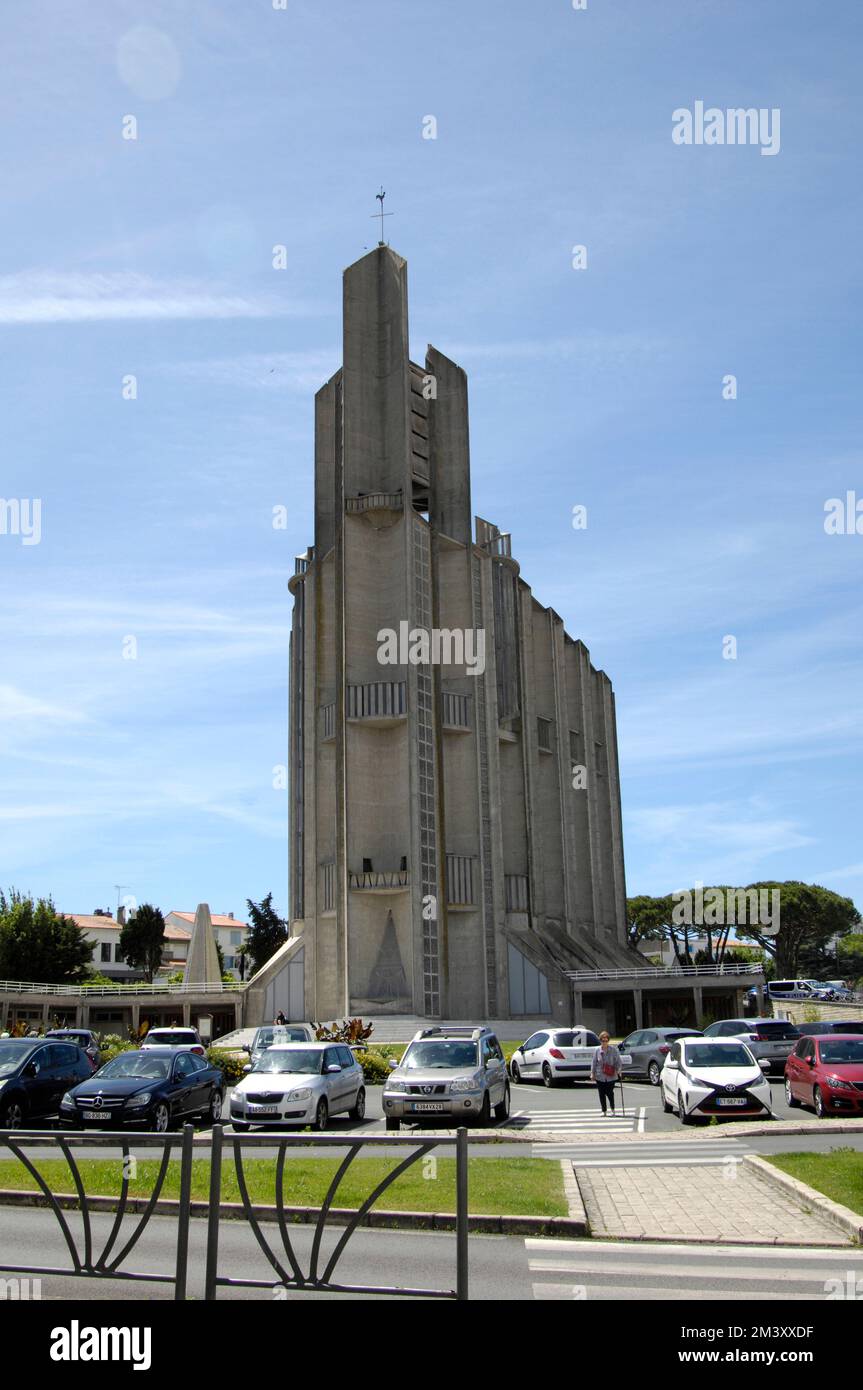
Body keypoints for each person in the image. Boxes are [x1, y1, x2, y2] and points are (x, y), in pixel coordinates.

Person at [592, 1031, 622, 1116]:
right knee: (601, 1093)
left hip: (611, 1075)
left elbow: (618, 1061)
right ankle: (604, 1111)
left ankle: (612, 1109)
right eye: (602, 1040)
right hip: (600, 1075)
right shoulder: (597, 1050)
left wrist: (619, 1070)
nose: (604, 1042)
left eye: (606, 1040)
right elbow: (594, 1062)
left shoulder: (613, 1050)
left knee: (609, 1093)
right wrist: (592, 1073)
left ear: (608, 1040)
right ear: (600, 1040)